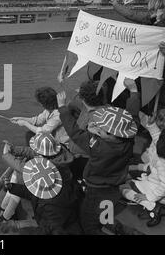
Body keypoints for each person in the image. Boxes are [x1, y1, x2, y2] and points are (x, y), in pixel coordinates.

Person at [56, 79, 139, 235]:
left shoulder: (98, 146)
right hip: (113, 187)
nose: (99, 128)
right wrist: (133, 92)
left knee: (89, 223)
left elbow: (75, 133)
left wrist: (62, 108)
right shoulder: (129, 137)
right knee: (105, 216)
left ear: (110, 134)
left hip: (96, 190)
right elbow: (133, 115)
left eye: (102, 129)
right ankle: (123, 230)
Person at [0, 134, 82, 234]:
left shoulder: (51, 206)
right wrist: (12, 187)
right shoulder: (55, 170)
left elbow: (51, 229)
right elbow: (34, 194)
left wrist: (6, 154)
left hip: (55, 221)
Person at [120, 126, 165, 227]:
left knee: (123, 187)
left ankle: (152, 207)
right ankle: (156, 206)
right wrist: (152, 124)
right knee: (130, 180)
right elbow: (152, 167)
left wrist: (149, 197)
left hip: (161, 193)